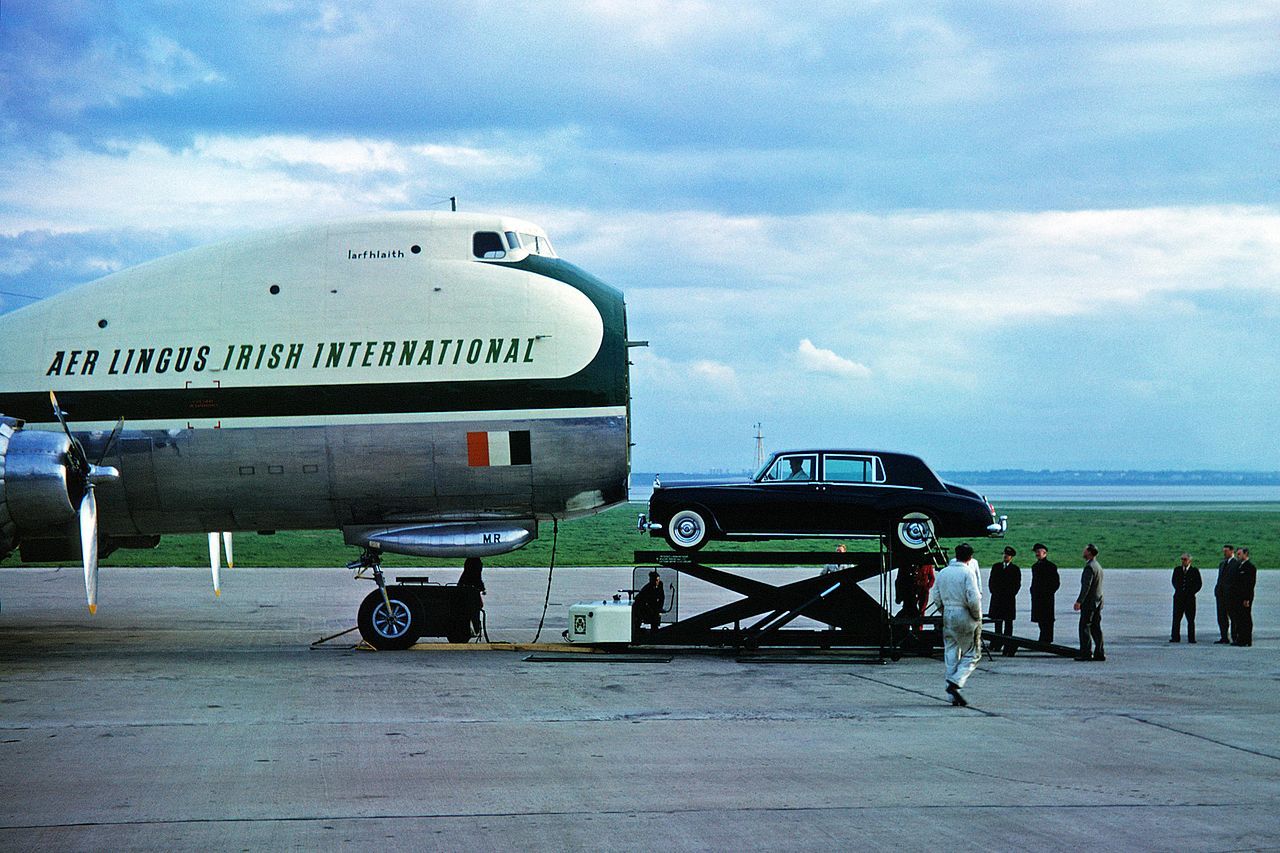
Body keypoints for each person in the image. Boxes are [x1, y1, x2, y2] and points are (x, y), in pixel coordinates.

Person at [934, 542, 983, 707]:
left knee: (951, 653)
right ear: (970, 557)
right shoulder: (968, 573)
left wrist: (944, 610)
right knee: (972, 653)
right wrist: (977, 616)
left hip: (947, 612)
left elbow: (936, 596)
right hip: (964, 614)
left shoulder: (943, 572)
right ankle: (956, 682)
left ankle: (952, 695)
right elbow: (973, 598)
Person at [988, 546, 1021, 655]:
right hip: (997, 598)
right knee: (998, 622)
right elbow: (991, 581)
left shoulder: (1015, 569)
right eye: (1005, 554)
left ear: (1011, 557)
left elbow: (1017, 584)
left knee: (1008, 623)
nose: (1006, 556)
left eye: (1008, 555)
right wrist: (994, 591)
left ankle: (1008, 644)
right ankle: (997, 643)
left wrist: (1010, 594)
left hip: (1008, 599)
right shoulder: (996, 567)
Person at [1073, 544, 1105, 661]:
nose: (1083, 552)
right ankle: (1099, 652)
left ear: (1089, 553)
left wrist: (1079, 601)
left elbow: (1086, 587)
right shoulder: (1098, 566)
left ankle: (1086, 652)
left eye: (1085, 550)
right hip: (1098, 601)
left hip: (1090, 602)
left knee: (1084, 627)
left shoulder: (1089, 567)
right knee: (1096, 627)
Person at [1029, 543, 1060, 643]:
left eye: (1039, 552)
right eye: (1036, 552)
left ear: (1045, 553)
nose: (1037, 554)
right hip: (1037, 597)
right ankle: (1043, 637)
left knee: (1047, 619)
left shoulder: (1051, 566)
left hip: (1046, 597)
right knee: (1040, 619)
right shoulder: (1035, 566)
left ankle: (1047, 639)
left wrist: (1048, 592)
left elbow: (1056, 582)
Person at [1170, 552, 1202, 643]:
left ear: (1190, 561)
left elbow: (1198, 584)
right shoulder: (1177, 570)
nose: (1183, 561)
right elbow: (1174, 581)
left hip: (1190, 599)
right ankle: (1175, 637)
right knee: (1176, 618)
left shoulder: (1194, 571)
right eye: (1182, 559)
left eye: (1185, 559)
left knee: (1191, 619)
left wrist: (1191, 592)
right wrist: (1179, 590)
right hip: (1179, 598)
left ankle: (1191, 638)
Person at [1231, 547, 1256, 647]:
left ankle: (1247, 639)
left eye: (1240, 554)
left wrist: (1247, 598)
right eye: (1237, 554)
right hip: (1238, 597)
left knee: (1246, 618)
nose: (1238, 556)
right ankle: (1241, 638)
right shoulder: (1239, 566)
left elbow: (1250, 584)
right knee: (1239, 618)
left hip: (1245, 597)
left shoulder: (1250, 567)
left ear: (1245, 554)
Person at [457, 557, 486, 637]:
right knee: (473, 609)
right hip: (470, 589)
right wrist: (482, 588)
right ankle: (473, 629)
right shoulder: (476, 561)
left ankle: (471, 629)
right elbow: (476, 576)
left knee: (467, 610)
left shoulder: (470, 560)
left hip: (465, 587)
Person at [1214, 544, 1236, 644]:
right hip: (1221, 595)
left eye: (1226, 551)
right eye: (1224, 551)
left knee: (1233, 617)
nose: (1224, 553)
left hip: (1231, 595)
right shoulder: (1222, 564)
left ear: (1232, 551)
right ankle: (1224, 637)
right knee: (1221, 617)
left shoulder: (1236, 564)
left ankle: (1235, 637)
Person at [633, 570, 665, 635]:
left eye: (658, 580)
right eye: (656, 580)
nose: (657, 582)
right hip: (643, 606)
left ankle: (655, 630)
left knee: (655, 616)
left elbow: (662, 597)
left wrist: (660, 608)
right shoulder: (647, 589)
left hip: (653, 606)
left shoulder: (660, 584)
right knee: (651, 616)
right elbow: (641, 600)